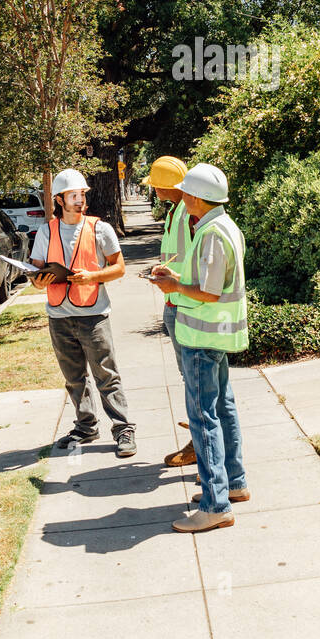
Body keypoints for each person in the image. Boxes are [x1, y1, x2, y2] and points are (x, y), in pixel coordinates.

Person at [151, 163, 249, 533]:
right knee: (223, 407)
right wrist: (178, 278)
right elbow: (210, 282)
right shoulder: (224, 226)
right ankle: (234, 485)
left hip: (200, 336)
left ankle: (215, 505)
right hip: (216, 335)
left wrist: (173, 288)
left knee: (203, 417)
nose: (184, 198)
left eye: (186, 193)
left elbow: (207, 292)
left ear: (195, 196)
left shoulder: (209, 232)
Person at [30, 168, 137, 459]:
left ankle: (123, 428)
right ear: (60, 200)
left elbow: (119, 267)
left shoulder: (100, 229)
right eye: (74, 196)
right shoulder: (46, 231)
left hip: (93, 315)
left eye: (82, 195)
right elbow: (35, 270)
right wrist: (37, 280)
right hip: (59, 316)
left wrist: (93, 276)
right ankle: (86, 425)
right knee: (74, 377)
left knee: (106, 374)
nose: (80, 201)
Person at [140, 155, 196, 468]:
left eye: (158, 184)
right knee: (188, 376)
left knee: (194, 379)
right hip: (174, 302)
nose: (155, 190)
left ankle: (200, 446)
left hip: (186, 304)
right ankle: (199, 439)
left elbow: (198, 260)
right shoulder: (176, 210)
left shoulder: (190, 212)